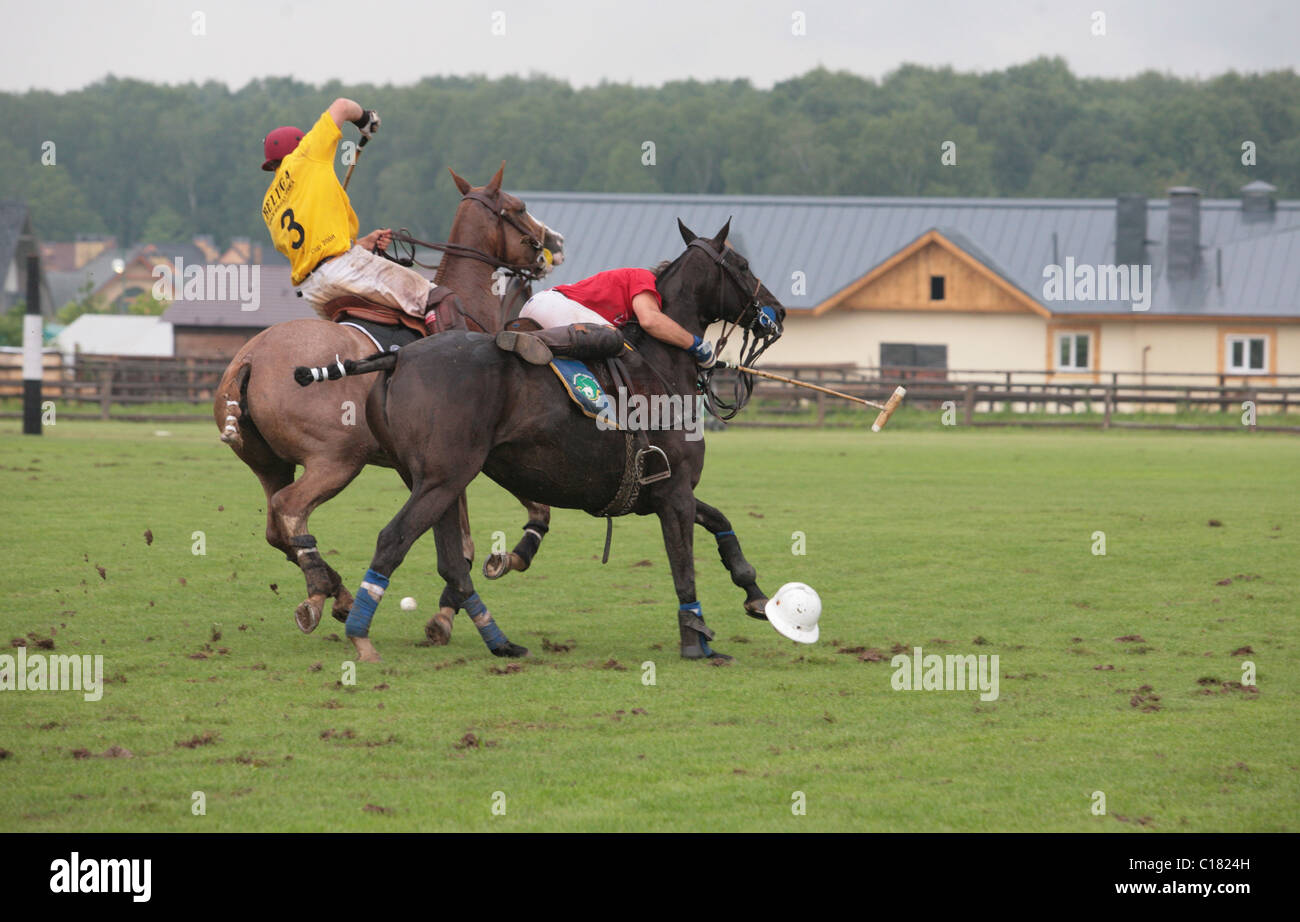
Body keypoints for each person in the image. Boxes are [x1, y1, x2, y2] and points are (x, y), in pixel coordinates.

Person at [260, 98, 444, 333]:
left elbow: (313, 250)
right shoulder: (306, 155)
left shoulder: (268, 205)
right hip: (343, 270)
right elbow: (342, 106)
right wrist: (365, 119)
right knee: (434, 299)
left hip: (314, 290)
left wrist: (361, 244)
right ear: (300, 146)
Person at [495, 266, 716, 367]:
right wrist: (696, 346)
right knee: (615, 341)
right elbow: (651, 321)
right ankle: (535, 340)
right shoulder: (645, 278)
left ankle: (533, 339)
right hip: (554, 305)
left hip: (542, 309)